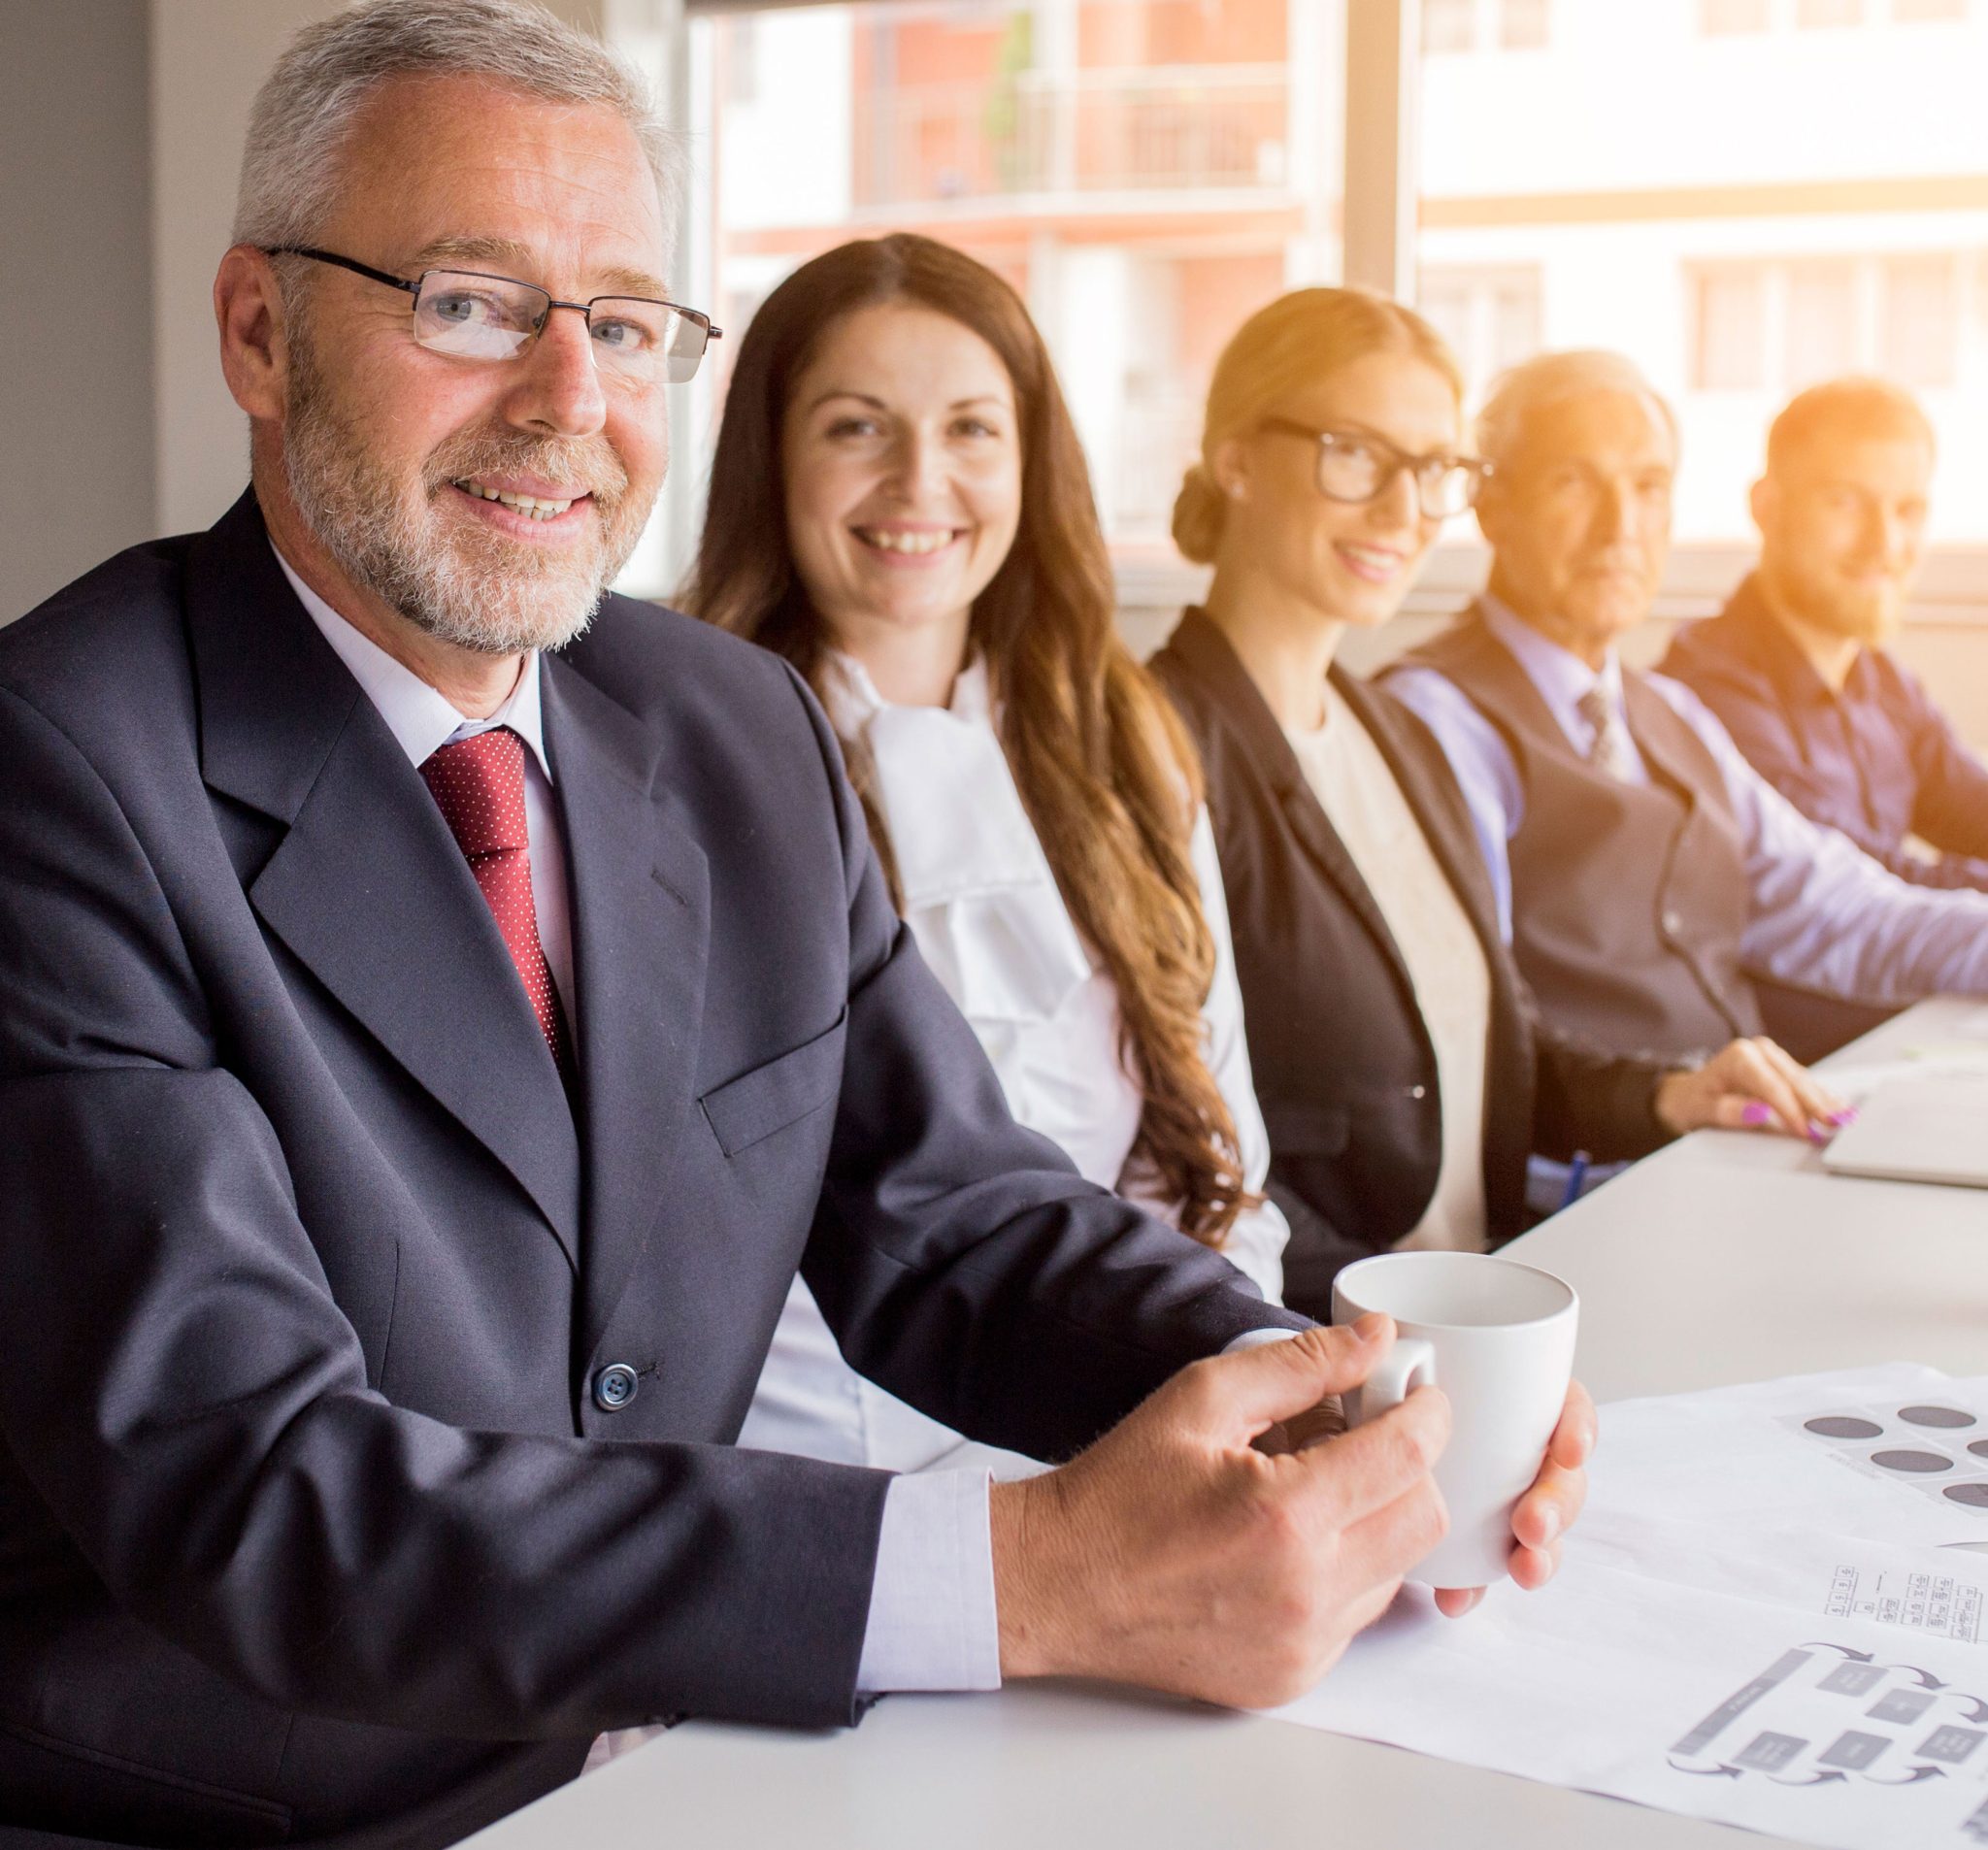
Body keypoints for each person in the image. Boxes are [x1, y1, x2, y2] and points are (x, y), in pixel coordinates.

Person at [0, 7, 1589, 1845]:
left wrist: (1346, 1413)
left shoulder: (728, 727)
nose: (565, 402)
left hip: (697, 1762)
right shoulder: (61, 772)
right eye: (467, 303)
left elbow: (953, 1221)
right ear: (258, 334)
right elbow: (262, 1489)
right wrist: (1025, 1577)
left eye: (619, 325)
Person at [682, 234, 1289, 1474]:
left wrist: (1246, 1403)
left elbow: (1216, 1143)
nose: (919, 482)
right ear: (770, 458)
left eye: (970, 429)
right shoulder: (672, 754)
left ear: (1028, 460)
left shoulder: (1127, 743)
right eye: (856, 427)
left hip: (1113, 1434)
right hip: (796, 1471)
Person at [1145, 290, 1840, 1316]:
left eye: (1431, 469)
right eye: (1354, 453)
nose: (1401, 510)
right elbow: (1173, 1139)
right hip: (1333, 1332)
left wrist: (1667, 1092)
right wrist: (1372, 1332)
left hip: (1480, 1302)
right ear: (1236, 458)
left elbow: (1493, 1044)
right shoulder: (1161, 742)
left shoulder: (1394, 735)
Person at [1383, 349, 1988, 1072]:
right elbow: (1462, 1016)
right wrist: (1656, 1105)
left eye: (1649, 488)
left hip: (1734, 1129)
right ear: (1493, 507)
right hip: (1590, 1166)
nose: (1621, 527)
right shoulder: (1435, 718)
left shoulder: (1669, 713)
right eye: (1574, 483)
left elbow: (1842, 909)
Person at [1662, 377, 1988, 893]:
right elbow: (1860, 890)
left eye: (1908, 511)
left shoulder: (1883, 683)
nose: (1885, 543)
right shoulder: (1706, 692)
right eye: (1846, 503)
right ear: (1766, 508)